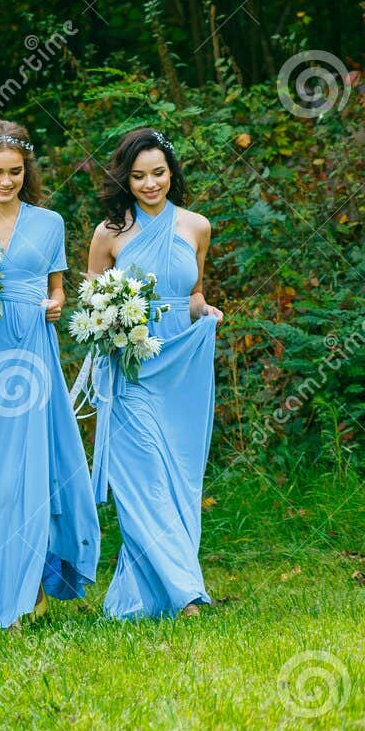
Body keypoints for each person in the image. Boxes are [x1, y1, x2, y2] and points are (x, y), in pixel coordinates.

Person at [0, 120, 99, 629]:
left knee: (36, 469)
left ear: (25, 172)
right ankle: (4, 587)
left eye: (15, 172)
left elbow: (58, 289)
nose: (6, 181)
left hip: (34, 350)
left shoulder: (50, 223)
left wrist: (57, 304)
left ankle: (31, 586)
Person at [84, 127, 220, 619]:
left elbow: (195, 291)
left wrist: (207, 312)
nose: (149, 184)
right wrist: (115, 322)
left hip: (183, 367)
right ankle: (187, 594)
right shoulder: (110, 233)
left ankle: (151, 590)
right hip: (133, 370)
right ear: (126, 178)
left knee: (179, 477)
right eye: (138, 176)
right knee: (143, 478)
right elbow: (92, 302)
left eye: (158, 173)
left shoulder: (196, 226)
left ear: (171, 173)